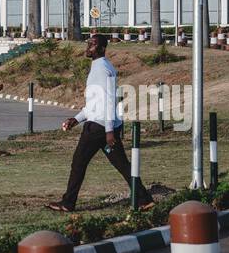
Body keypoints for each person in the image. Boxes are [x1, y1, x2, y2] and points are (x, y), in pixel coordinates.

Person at [47, 33, 152, 211]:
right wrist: (77, 119)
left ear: (102, 48)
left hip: (98, 128)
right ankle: (144, 199)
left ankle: (68, 203)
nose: (88, 47)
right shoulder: (100, 66)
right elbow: (94, 104)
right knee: (122, 165)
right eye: (88, 43)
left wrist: (109, 130)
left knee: (78, 163)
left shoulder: (102, 68)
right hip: (103, 126)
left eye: (93, 44)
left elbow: (109, 100)